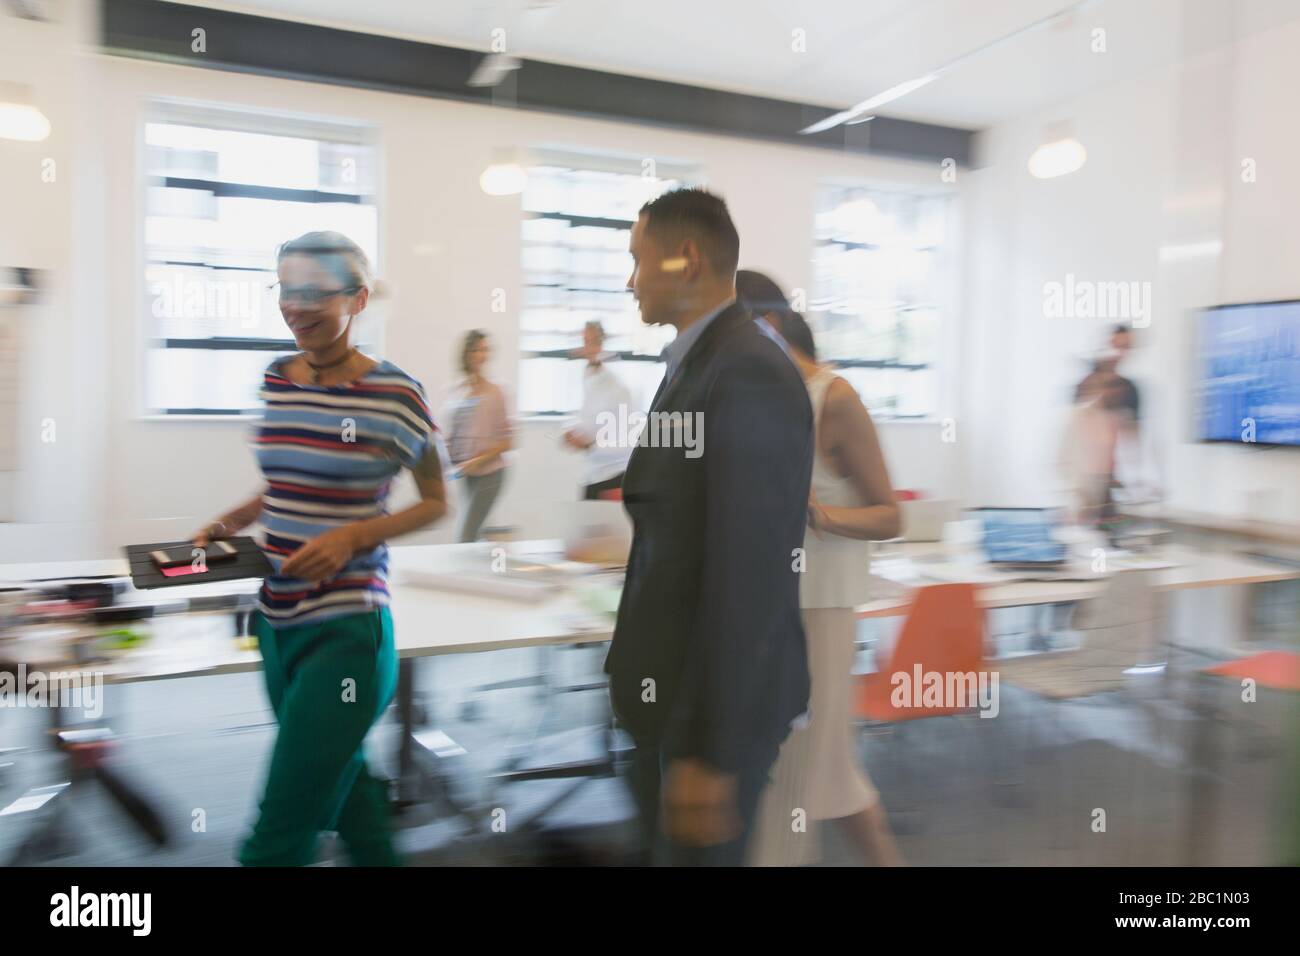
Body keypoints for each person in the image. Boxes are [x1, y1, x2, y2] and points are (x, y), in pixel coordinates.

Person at [196, 231, 446, 866]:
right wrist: (235, 517)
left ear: (357, 299)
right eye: (285, 290)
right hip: (276, 626)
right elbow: (287, 479)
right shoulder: (277, 378)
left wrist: (352, 537)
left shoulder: (397, 395)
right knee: (348, 797)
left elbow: (436, 501)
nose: (295, 306)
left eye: (313, 293)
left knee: (277, 833)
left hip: (348, 633)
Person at [604, 189, 814, 866]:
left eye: (638, 260)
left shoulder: (748, 371)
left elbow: (749, 575)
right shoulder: (693, 363)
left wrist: (709, 751)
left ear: (685, 260)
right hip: (667, 698)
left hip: (707, 721)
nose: (630, 279)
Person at [736, 270, 904, 867]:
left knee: (793, 779)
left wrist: (821, 516)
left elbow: (890, 515)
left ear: (771, 326)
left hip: (820, 616)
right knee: (830, 775)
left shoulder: (834, 397)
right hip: (771, 609)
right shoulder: (765, 399)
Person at [442, 330, 513, 541]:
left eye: (486, 350)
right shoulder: (456, 391)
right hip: (466, 474)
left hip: (491, 473)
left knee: (465, 534)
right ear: (467, 353)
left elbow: (508, 441)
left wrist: (477, 461)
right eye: (477, 350)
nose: (482, 355)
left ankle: (460, 571)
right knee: (476, 531)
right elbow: (452, 435)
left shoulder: (496, 392)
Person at [562, 321, 633, 499]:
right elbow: (588, 420)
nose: (587, 348)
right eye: (585, 341)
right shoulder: (588, 379)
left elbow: (627, 441)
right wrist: (575, 434)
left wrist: (589, 445)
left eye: (592, 342)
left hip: (614, 475)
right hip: (592, 474)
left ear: (602, 344)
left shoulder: (619, 387)